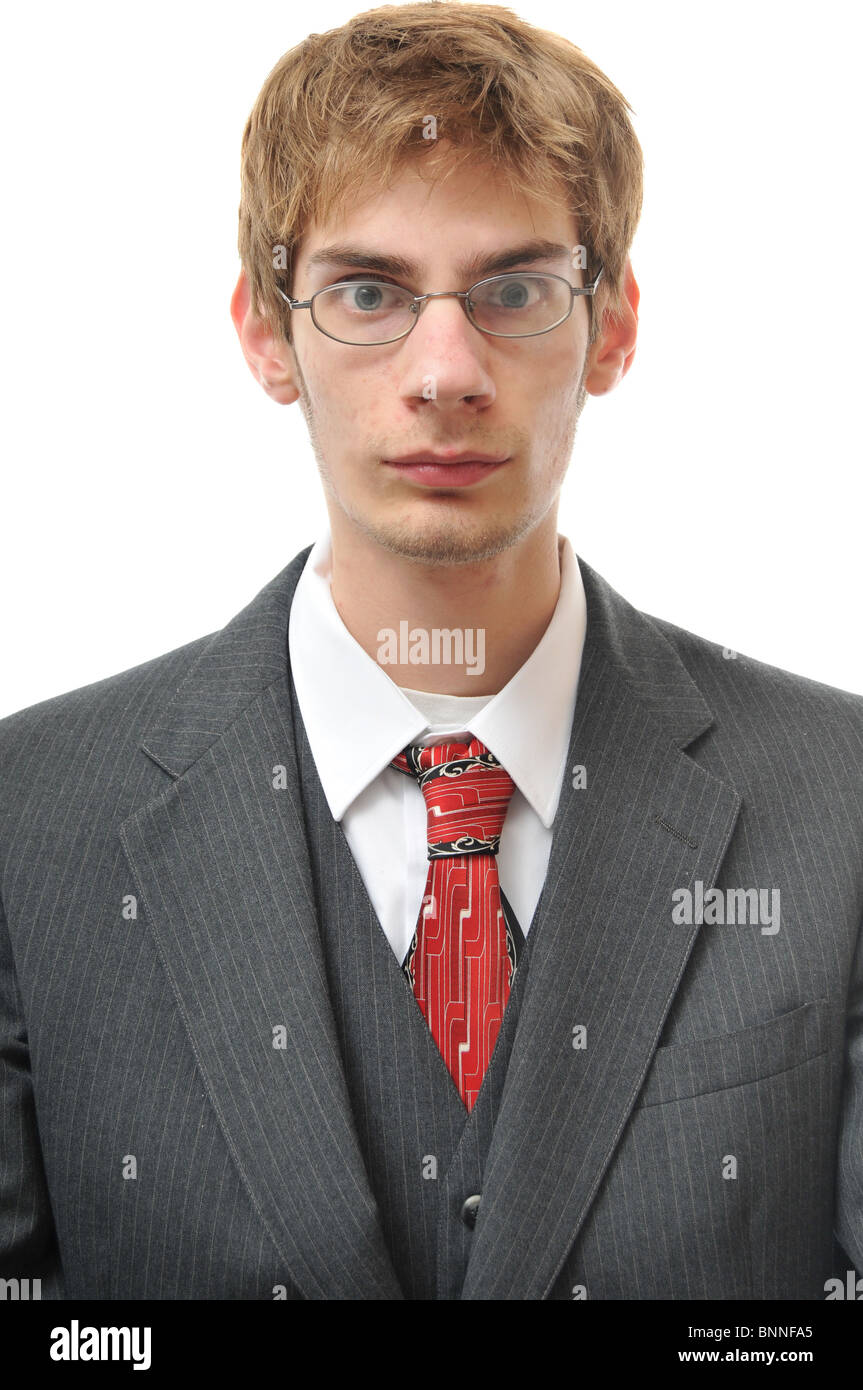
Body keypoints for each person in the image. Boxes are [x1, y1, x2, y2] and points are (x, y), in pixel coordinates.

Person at [1, 0, 861, 1302]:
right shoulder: (28, 817)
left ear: (613, 326)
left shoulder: (840, 797)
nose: (445, 369)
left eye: (514, 289)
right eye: (368, 292)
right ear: (262, 333)